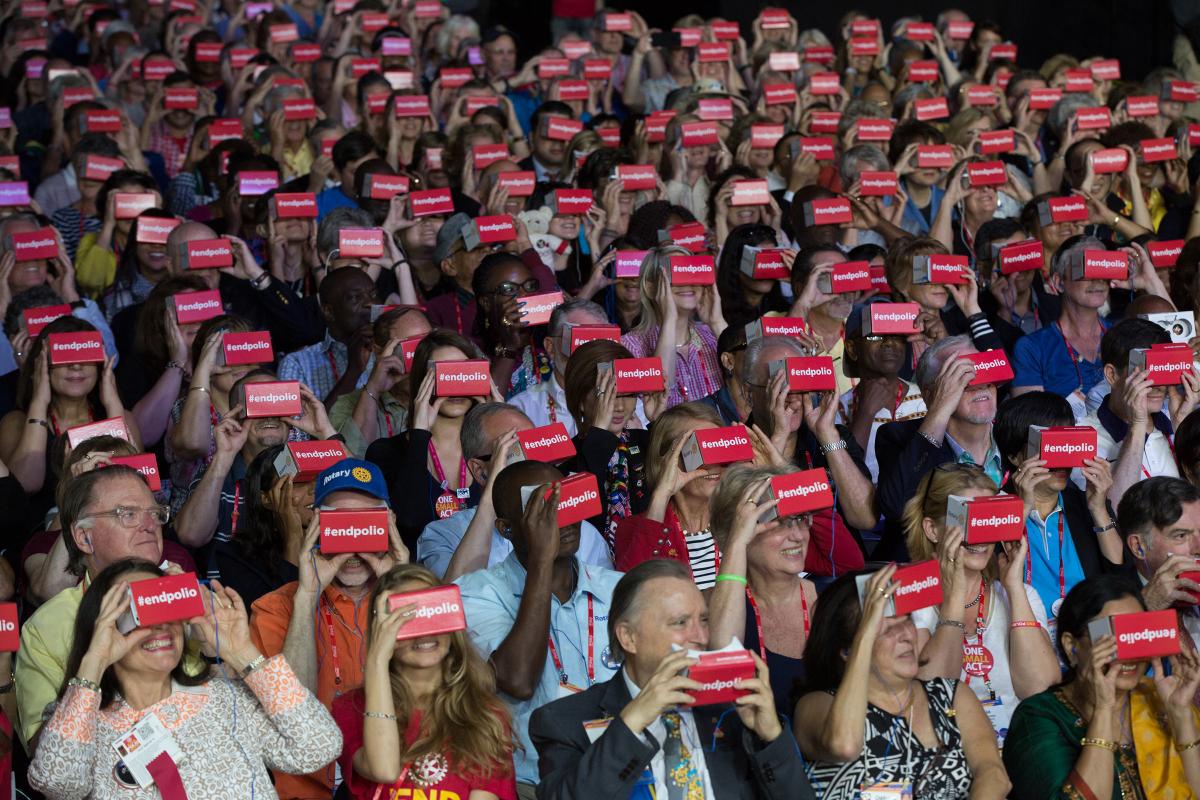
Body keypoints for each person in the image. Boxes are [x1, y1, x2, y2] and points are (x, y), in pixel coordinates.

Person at [29, 558, 344, 798]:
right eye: (139, 612)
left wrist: (241, 651)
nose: (160, 626)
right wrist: (93, 663)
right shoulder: (77, 721)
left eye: (167, 607)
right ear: (101, 626)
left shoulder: (225, 698)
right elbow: (58, 784)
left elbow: (319, 747)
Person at [530, 558, 817, 800]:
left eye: (703, 620)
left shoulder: (733, 711)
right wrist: (632, 723)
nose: (701, 637)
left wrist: (771, 738)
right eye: (680, 622)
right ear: (628, 637)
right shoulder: (564, 722)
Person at [455, 460, 623, 797]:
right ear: (506, 529)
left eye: (565, 500)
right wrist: (542, 561)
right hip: (530, 782)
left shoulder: (618, 588)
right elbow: (517, 679)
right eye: (541, 508)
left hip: (621, 770)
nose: (561, 515)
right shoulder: (475, 593)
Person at [249, 458, 409, 800]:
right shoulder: (274, 608)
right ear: (313, 527)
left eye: (365, 523)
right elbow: (292, 714)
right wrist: (307, 594)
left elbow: (437, 700)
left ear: (389, 525)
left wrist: (400, 587)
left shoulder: (418, 597)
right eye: (338, 524)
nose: (352, 542)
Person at [793, 566, 1011, 799]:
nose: (906, 634)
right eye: (885, 627)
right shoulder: (817, 704)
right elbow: (844, 745)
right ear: (847, 650)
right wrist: (866, 631)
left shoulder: (951, 695)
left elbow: (994, 775)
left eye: (906, 620)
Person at [15, 465, 172, 751]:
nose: (149, 524)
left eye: (155, 513)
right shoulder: (47, 626)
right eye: (127, 514)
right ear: (84, 537)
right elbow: (43, 753)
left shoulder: (186, 598)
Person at [904, 463, 1060, 745]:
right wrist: (953, 598)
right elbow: (934, 690)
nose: (979, 535)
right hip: (946, 757)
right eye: (966, 519)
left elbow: (1040, 688)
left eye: (988, 518)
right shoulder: (908, 597)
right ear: (932, 529)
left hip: (1019, 751)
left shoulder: (1018, 593)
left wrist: (1013, 586)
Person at [332, 563, 518, 799]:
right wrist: (377, 660)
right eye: (406, 619)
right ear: (383, 632)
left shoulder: (486, 714)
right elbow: (384, 770)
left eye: (432, 614)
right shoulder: (350, 708)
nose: (425, 633)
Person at [1004, 574, 1200, 798]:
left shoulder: (1158, 696)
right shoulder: (1038, 716)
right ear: (1072, 647)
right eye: (1111, 638)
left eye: (1135, 634)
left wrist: (1181, 715)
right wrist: (1104, 708)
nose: (1128, 656)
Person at [415, 402, 611, 581]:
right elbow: (460, 601)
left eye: (535, 445)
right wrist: (493, 497)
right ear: (480, 471)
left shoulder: (580, 532)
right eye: (515, 451)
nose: (532, 464)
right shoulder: (442, 535)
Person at [740, 334, 871, 575]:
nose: (791, 396)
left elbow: (865, 518)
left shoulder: (830, 435)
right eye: (777, 385)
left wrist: (827, 436)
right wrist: (778, 437)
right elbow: (744, 527)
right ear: (748, 393)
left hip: (835, 574)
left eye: (798, 383)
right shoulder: (737, 445)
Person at [994, 391, 1128, 623]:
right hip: (1021, 638)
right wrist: (1022, 509)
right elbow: (988, 575)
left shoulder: (1086, 504)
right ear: (1015, 456)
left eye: (1066, 443)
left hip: (1090, 637)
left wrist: (1098, 509)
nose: (1061, 458)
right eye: (1049, 445)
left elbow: (1122, 581)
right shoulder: (993, 511)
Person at [876, 335, 1004, 560]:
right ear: (928, 393)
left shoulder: (1013, 435)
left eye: (983, 368)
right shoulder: (898, 437)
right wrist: (939, 409)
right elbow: (897, 508)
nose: (980, 382)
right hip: (932, 576)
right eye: (960, 375)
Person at [366, 329, 495, 550]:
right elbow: (408, 521)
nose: (455, 384)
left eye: (463, 373)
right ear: (421, 382)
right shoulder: (386, 452)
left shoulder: (492, 447)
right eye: (442, 374)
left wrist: (494, 422)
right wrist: (419, 436)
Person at [707, 464, 820, 713]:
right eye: (779, 522)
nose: (798, 535)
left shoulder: (830, 600)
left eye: (800, 519)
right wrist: (736, 544)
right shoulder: (708, 606)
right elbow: (723, 656)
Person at [1079, 318, 1195, 507]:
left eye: (1162, 370)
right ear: (1112, 375)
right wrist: (1137, 426)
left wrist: (1183, 427)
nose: (1158, 386)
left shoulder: (1175, 423)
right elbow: (1114, 511)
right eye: (1146, 373)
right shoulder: (1083, 437)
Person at [621, 244, 725, 409]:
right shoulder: (629, 346)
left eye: (691, 272)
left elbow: (749, 382)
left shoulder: (712, 334)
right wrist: (669, 320)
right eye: (675, 273)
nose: (686, 283)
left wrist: (717, 321)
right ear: (650, 288)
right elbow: (659, 400)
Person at [839, 300, 927, 483]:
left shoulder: (929, 398)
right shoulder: (837, 408)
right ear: (852, 349)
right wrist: (865, 413)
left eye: (897, 336)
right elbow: (843, 474)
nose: (888, 343)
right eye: (875, 336)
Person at [328, 306, 433, 457]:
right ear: (379, 351)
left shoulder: (447, 400)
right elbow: (352, 465)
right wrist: (374, 388)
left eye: (428, 345)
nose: (422, 358)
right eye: (410, 349)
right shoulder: (347, 405)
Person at [507, 297, 609, 436]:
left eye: (597, 340)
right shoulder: (522, 410)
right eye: (577, 339)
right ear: (550, 347)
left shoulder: (630, 406)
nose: (587, 352)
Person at [278, 266, 376, 407]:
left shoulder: (391, 352)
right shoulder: (297, 363)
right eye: (356, 297)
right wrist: (353, 371)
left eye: (373, 295)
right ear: (329, 312)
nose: (370, 303)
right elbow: (297, 428)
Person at [1117, 477, 1200, 642]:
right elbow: (1090, 652)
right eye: (1181, 535)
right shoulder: (1105, 594)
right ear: (1138, 546)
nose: (1198, 547)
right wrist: (1146, 607)